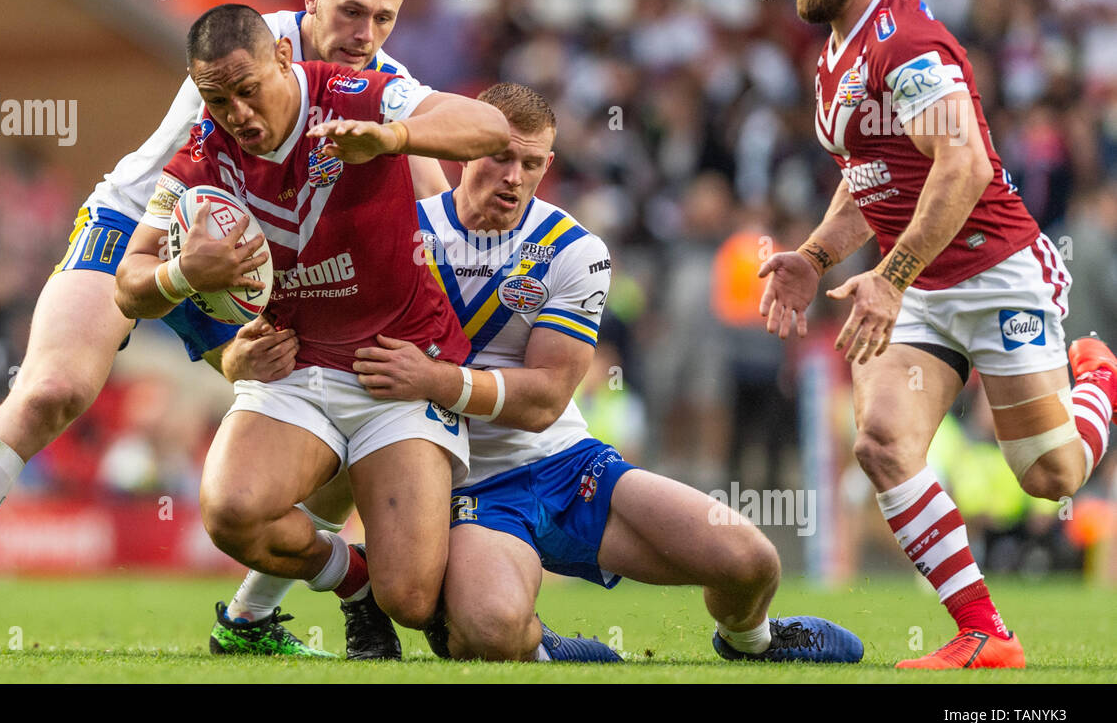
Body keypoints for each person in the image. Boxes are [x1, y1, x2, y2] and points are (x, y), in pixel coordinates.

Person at [0, 0, 444, 653]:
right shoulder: (249, 44)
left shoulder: (381, 80)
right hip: (139, 227)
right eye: (352, 10)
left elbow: (432, 185)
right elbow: (207, 162)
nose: (365, 33)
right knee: (53, 388)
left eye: (384, 18)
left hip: (246, 269)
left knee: (335, 431)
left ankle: (251, 617)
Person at [348, 83, 864, 663]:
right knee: (490, 631)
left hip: (567, 464)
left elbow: (543, 399)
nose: (514, 176)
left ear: (549, 164)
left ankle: (753, 642)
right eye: (500, 157)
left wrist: (432, 380)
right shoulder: (400, 235)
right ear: (466, 151)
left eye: (532, 162)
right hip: (471, 489)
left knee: (749, 561)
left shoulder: (573, 249)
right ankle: (550, 650)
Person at [759, 0, 1117, 669]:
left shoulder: (907, 43)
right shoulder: (835, 55)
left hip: (994, 273)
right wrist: (815, 257)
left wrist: (890, 275)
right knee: (883, 442)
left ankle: (1099, 377)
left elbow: (965, 163)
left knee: (1051, 476)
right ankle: (986, 631)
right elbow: (872, 176)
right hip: (916, 284)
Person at [115, 4, 509, 649]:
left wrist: (392, 138)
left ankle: (458, 584)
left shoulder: (352, 93)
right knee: (231, 513)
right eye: (217, 100)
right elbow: (130, 288)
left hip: (399, 369)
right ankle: (353, 583)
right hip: (294, 371)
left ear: (280, 58)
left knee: (412, 598)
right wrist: (184, 274)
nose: (237, 113)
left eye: (248, 91)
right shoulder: (201, 154)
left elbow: (489, 127)